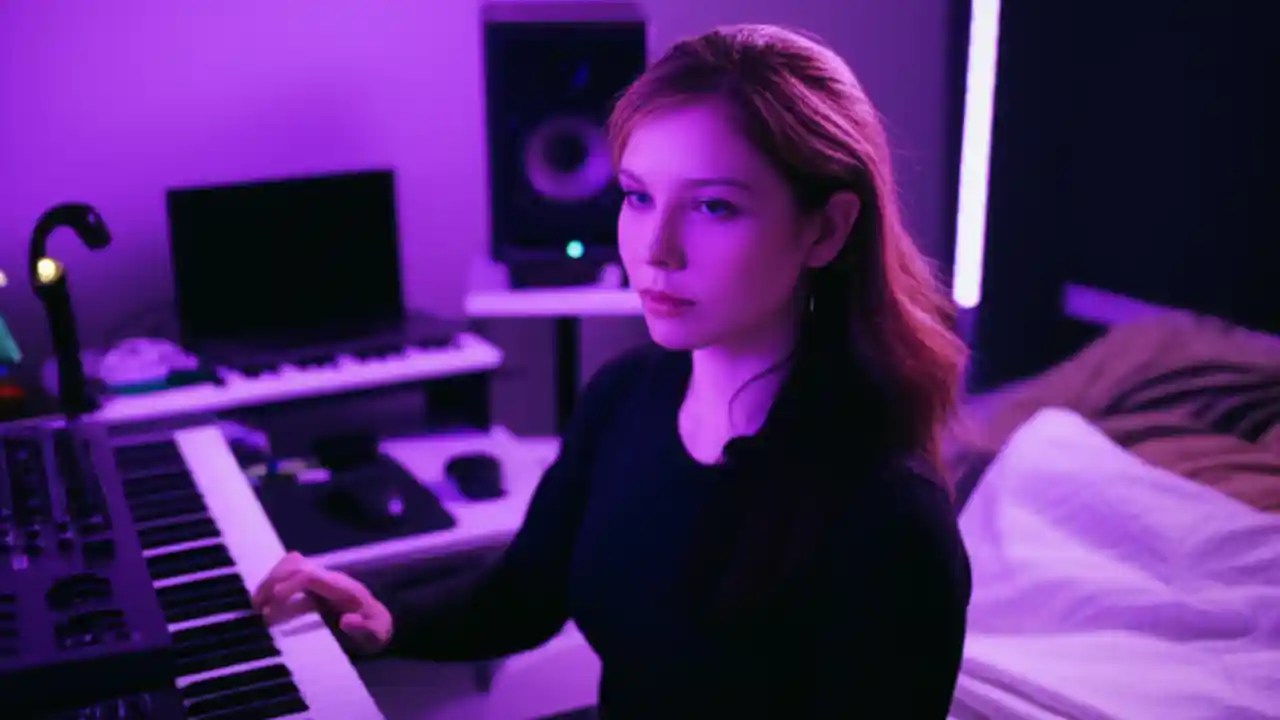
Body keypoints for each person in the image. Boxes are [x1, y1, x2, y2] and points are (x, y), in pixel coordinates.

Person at [252, 24, 971, 718]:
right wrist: (388, 618)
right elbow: (526, 593)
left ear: (826, 229)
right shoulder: (626, 393)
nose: (655, 249)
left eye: (715, 206)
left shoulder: (892, 522)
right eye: (637, 196)